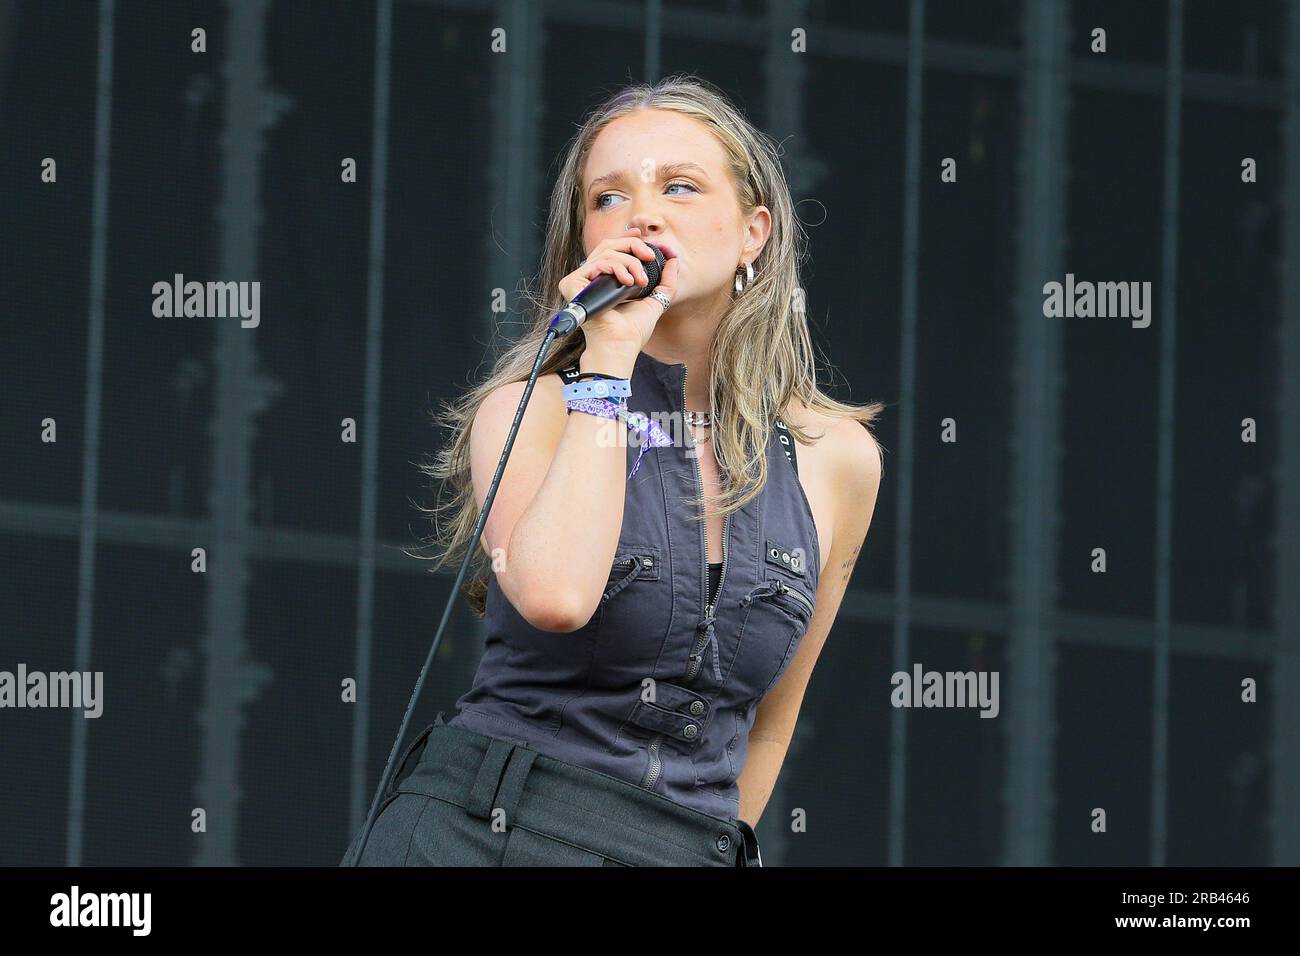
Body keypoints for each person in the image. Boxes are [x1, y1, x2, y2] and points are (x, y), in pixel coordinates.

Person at [343, 74, 884, 867]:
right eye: (608, 198)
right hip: (484, 832)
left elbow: (770, 719)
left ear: (753, 232)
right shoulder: (531, 411)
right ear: (585, 244)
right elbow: (558, 598)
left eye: (681, 186)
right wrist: (610, 363)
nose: (643, 214)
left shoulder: (837, 458)